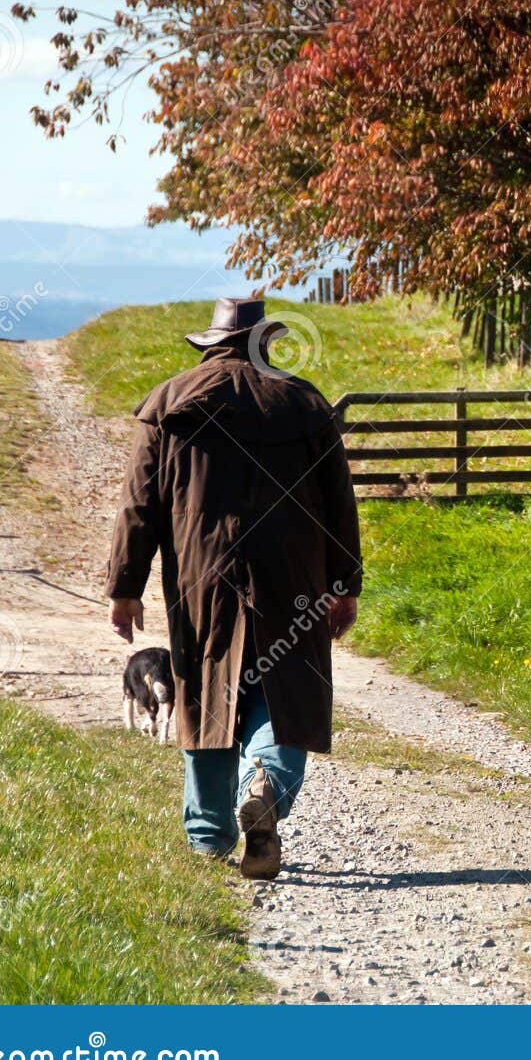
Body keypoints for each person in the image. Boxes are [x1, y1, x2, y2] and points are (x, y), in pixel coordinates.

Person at [106, 297, 362, 880]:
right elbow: (337, 506)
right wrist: (344, 583)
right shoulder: (304, 404)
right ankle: (264, 783)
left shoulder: (168, 404)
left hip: (201, 574)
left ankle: (209, 839)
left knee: (204, 692)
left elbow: (139, 506)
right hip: (293, 575)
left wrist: (125, 588)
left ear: (212, 345)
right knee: (283, 690)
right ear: (264, 345)